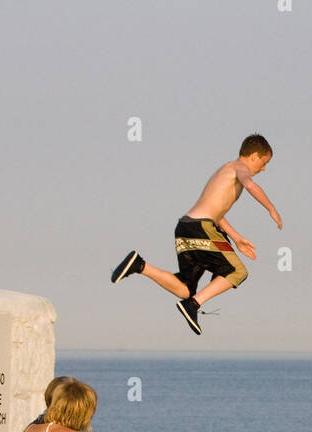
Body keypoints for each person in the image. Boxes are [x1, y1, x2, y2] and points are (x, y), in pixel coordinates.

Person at [111, 134, 282, 334]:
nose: (264, 168)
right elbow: (251, 185)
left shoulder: (224, 173)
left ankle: (140, 265)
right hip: (200, 229)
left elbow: (217, 215)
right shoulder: (238, 168)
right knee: (238, 272)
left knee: (184, 288)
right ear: (253, 156)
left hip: (185, 229)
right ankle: (192, 305)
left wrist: (236, 238)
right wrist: (271, 208)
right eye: (264, 162)